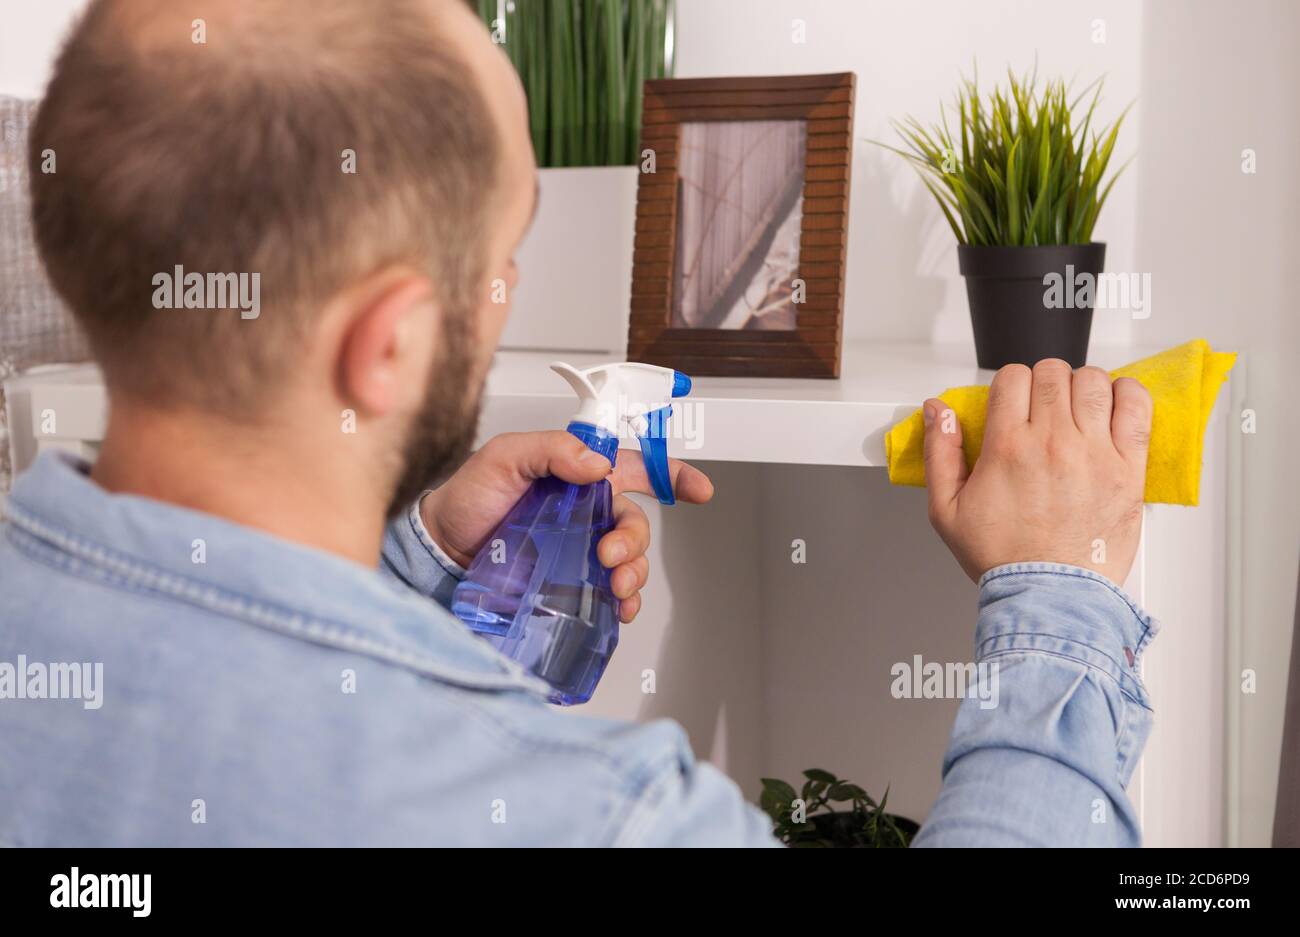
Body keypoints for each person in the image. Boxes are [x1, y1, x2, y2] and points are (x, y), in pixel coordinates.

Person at [0, 0, 1154, 847]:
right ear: (390, 342)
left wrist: (420, 567)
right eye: (505, 256)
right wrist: (1058, 603)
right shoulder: (598, 819)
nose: (506, 288)